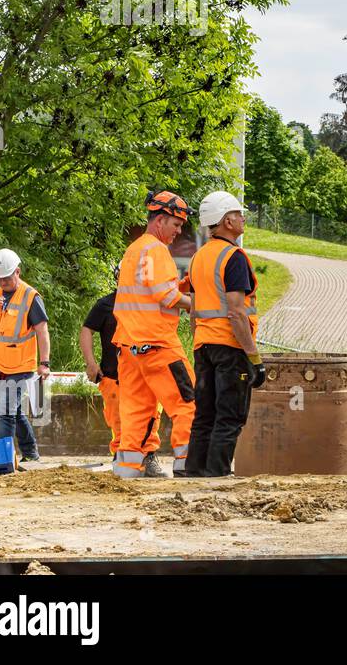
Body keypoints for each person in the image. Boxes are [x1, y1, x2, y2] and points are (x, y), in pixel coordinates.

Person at [111, 190, 196, 478]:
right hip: (158, 344)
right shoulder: (157, 250)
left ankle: (127, 470)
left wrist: (182, 286)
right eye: (176, 224)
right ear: (160, 220)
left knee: (137, 411)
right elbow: (164, 295)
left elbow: (147, 292)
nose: (179, 231)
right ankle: (188, 465)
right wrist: (200, 304)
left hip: (129, 345)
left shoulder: (135, 249)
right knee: (189, 403)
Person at [187, 191, 266, 477]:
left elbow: (194, 311)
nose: (243, 218)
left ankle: (195, 474)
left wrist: (198, 347)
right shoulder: (233, 257)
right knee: (229, 416)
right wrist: (254, 358)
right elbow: (236, 311)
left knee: (204, 415)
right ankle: (218, 476)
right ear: (226, 221)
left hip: (203, 346)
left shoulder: (198, 258)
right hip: (230, 348)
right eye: (238, 214)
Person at [0, 248, 50, 462]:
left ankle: (1, 458)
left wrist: (44, 363)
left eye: (6, 277)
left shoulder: (30, 296)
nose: (2, 282)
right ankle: (31, 452)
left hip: (21, 367)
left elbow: (42, 331)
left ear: (18, 272)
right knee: (16, 412)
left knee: (4, 412)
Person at [79, 276, 164, 474]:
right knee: (118, 421)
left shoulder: (149, 305)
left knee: (151, 418)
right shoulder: (106, 304)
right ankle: (122, 458)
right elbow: (87, 330)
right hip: (113, 376)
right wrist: (90, 363)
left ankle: (149, 456)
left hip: (145, 376)